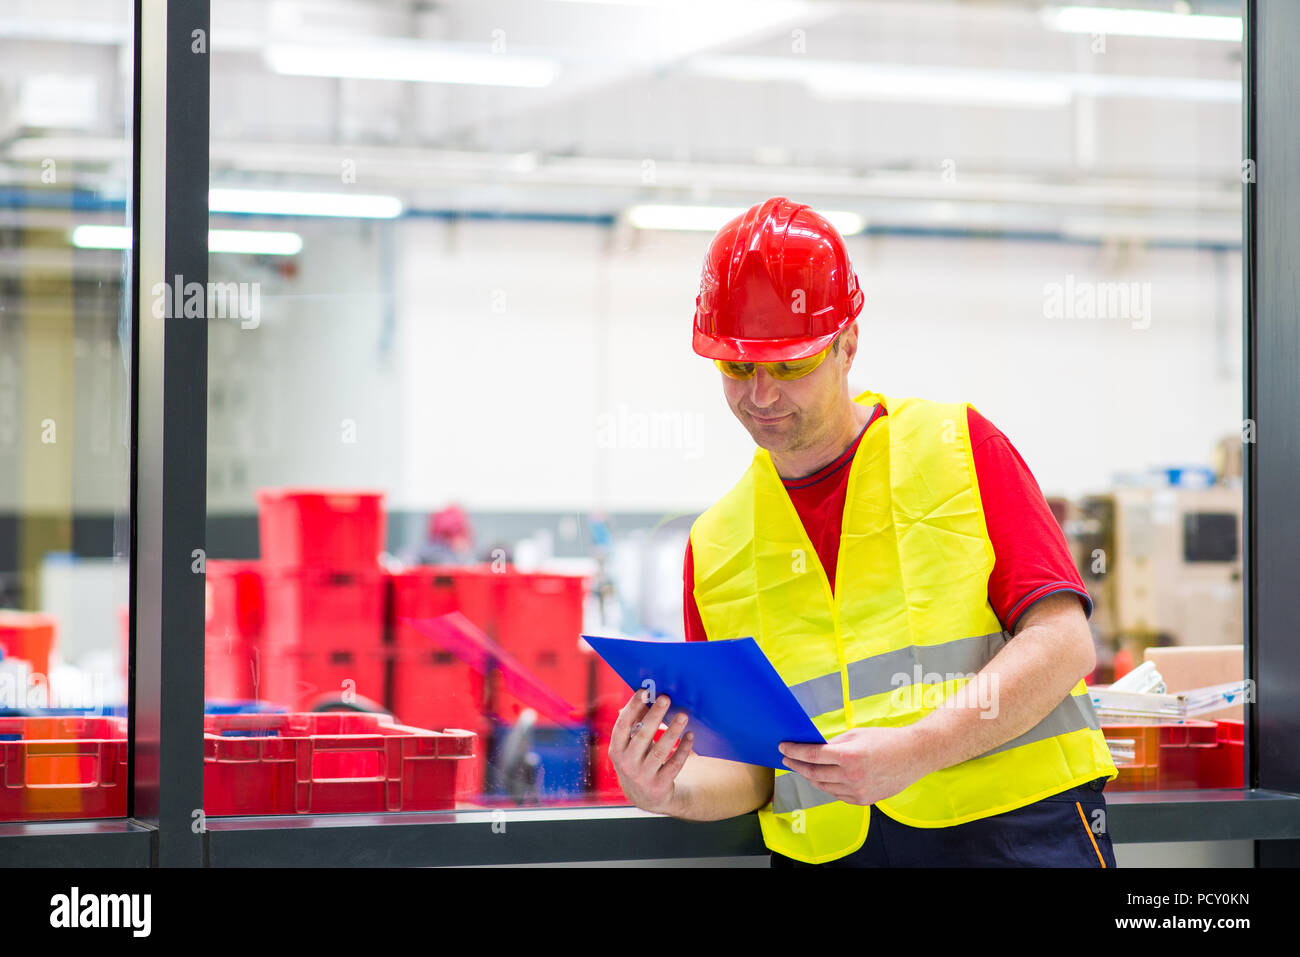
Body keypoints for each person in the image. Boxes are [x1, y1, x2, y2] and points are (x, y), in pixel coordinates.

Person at [607, 196, 1118, 867]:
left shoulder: (959, 447)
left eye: (789, 365)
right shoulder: (717, 542)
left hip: (1018, 836)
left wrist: (915, 750)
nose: (760, 394)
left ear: (849, 343)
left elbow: (1062, 642)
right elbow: (754, 769)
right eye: (737, 367)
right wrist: (668, 787)